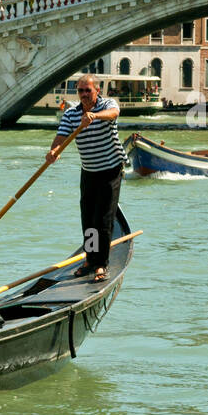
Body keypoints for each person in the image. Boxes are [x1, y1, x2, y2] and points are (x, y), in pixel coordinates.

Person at [45, 73, 123, 283]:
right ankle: (90, 259)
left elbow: (114, 113)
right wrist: (54, 152)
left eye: (88, 90)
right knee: (88, 218)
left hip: (110, 169)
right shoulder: (71, 115)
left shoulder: (107, 104)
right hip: (89, 171)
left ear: (97, 91)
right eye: (80, 91)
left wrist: (95, 117)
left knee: (103, 219)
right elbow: (61, 137)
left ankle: (102, 264)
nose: (84, 94)